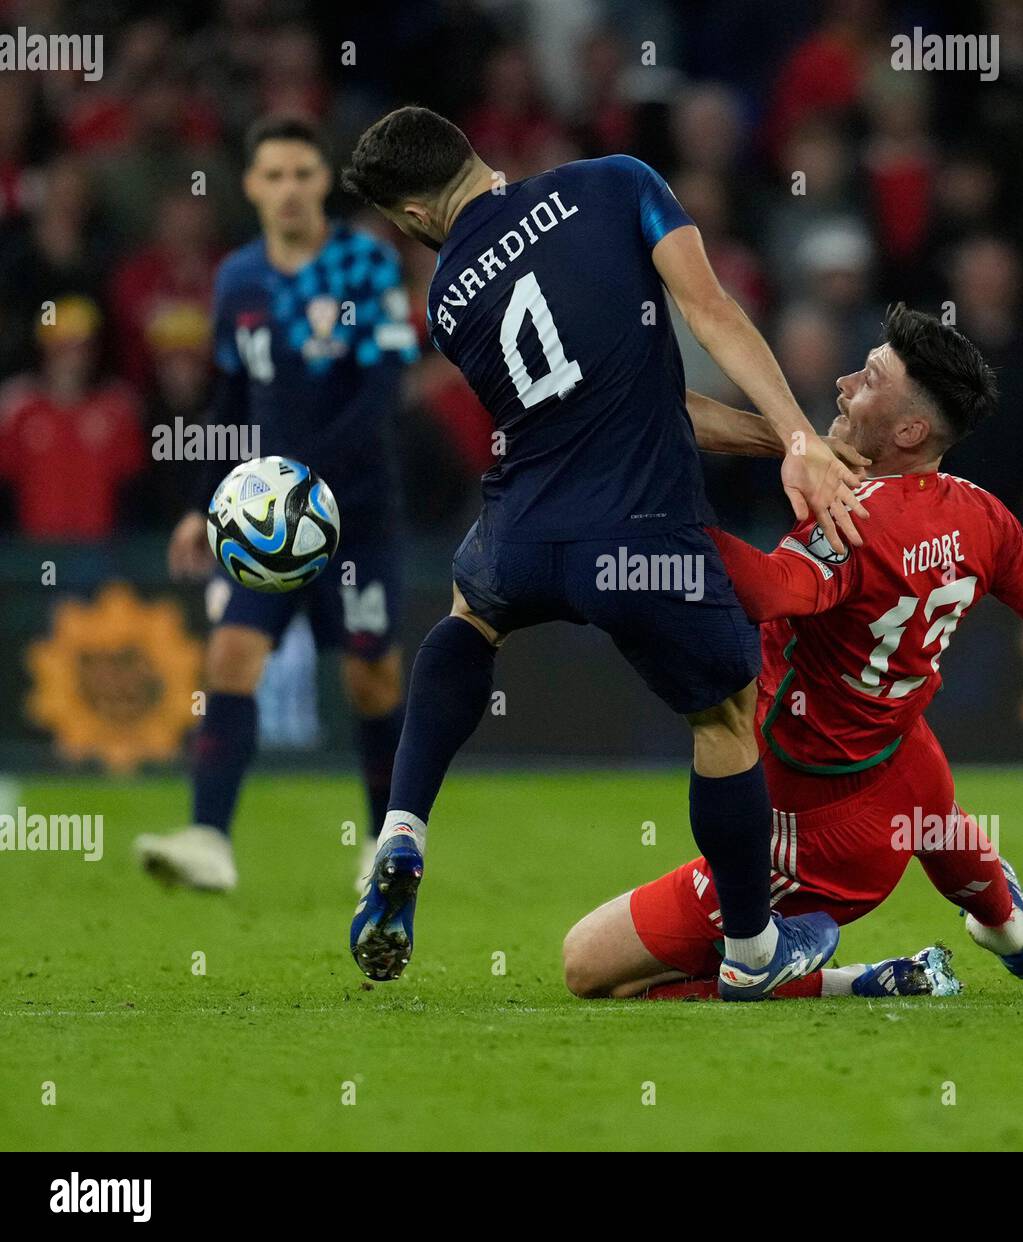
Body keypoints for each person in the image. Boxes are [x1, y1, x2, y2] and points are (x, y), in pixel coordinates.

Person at [339, 105, 866, 998]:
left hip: (525, 533)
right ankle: (749, 950)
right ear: (472, 151)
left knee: (469, 619)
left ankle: (401, 825)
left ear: (413, 218)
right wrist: (800, 435)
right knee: (726, 718)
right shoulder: (616, 183)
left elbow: (636, 408)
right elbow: (710, 311)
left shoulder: (449, 301)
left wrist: (791, 443)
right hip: (641, 538)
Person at [563, 305, 1023, 1001]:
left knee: (589, 969)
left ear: (910, 429)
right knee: (933, 811)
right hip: (905, 762)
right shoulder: (980, 513)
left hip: (817, 833)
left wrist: (656, 524)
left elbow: (767, 593)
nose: (842, 380)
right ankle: (1010, 927)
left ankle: (872, 980)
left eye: (869, 378)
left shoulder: (851, 520)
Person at [135, 116, 418, 891]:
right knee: (230, 655)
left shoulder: (364, 263)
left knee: (372, 678)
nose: (290, 188)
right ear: (253, 186)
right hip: (265, 526)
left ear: (323, 182)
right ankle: (209, 839)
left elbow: (380, 395)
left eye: (303, 173)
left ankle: (382, 842)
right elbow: (233, 399)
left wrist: (295, 479)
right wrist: (203, 504)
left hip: (352, 518)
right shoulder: (239, 279)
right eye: (275, 175)